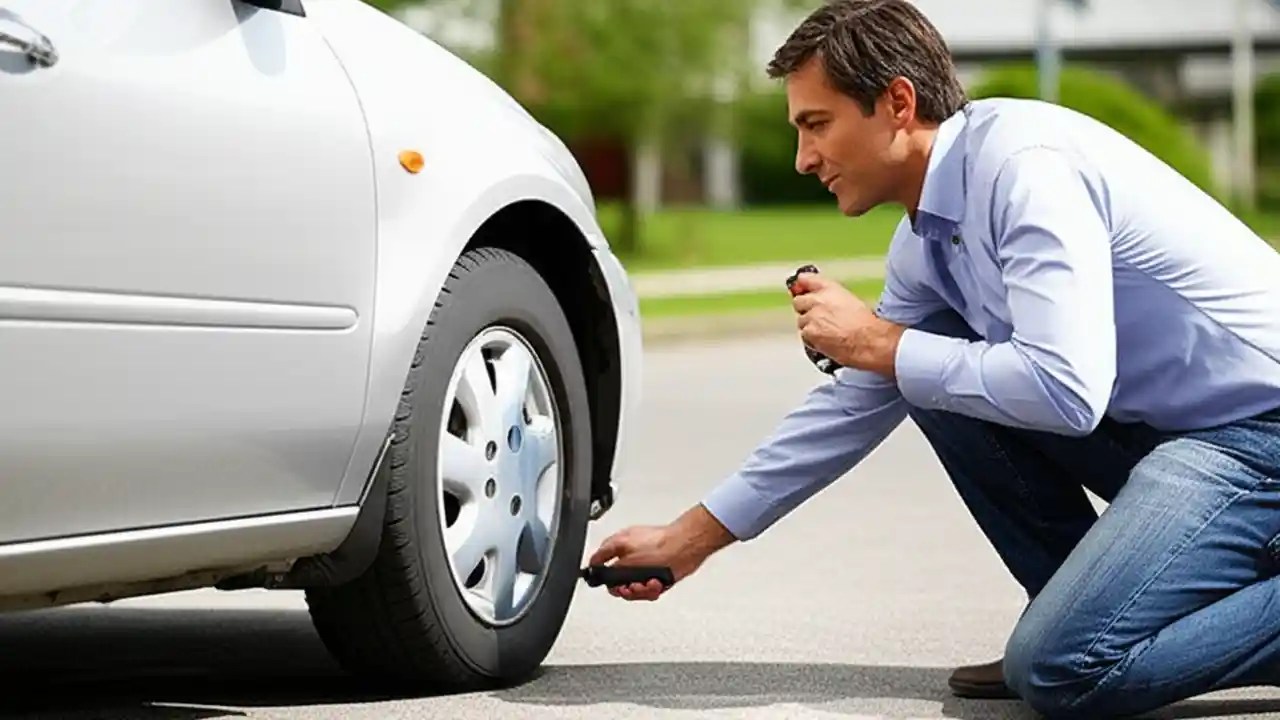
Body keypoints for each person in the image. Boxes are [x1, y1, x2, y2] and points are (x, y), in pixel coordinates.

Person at [587, 0, 1280, 717]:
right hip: (1171, 431)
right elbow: (854, 403)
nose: (802, 159)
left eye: (815, 125)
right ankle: (1080, 606)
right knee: (918, 373)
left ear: (896, 102)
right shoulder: (924, 243)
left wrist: (881, 343)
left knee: (1063, 670)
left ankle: (1081, 634)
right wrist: (690, 539)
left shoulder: (1025, 172)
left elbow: (1067, 390)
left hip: (1259, 432)